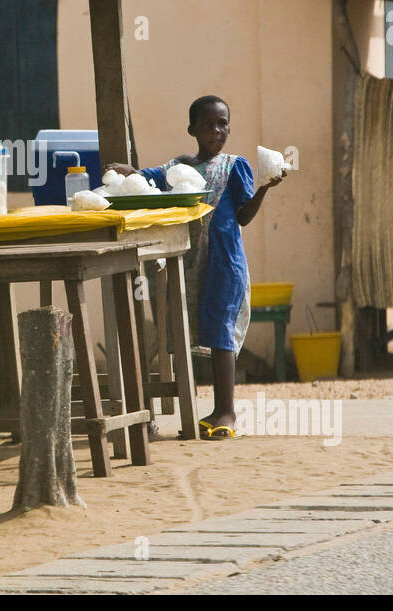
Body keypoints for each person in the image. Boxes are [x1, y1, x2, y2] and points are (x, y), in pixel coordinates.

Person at [106, 95, 285, 440]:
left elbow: (244, 216)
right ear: (192, 129)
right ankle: (204, 410)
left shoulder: (236, 166)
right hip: (189, 266)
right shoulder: (180, 167)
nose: (216, 131)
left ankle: (227, 412)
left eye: (222, 124)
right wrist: (130, 173)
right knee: (189, 332)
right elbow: (148, 181)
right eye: (207, 125)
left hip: (224, 263)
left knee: (221, 334)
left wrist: (264, 187)